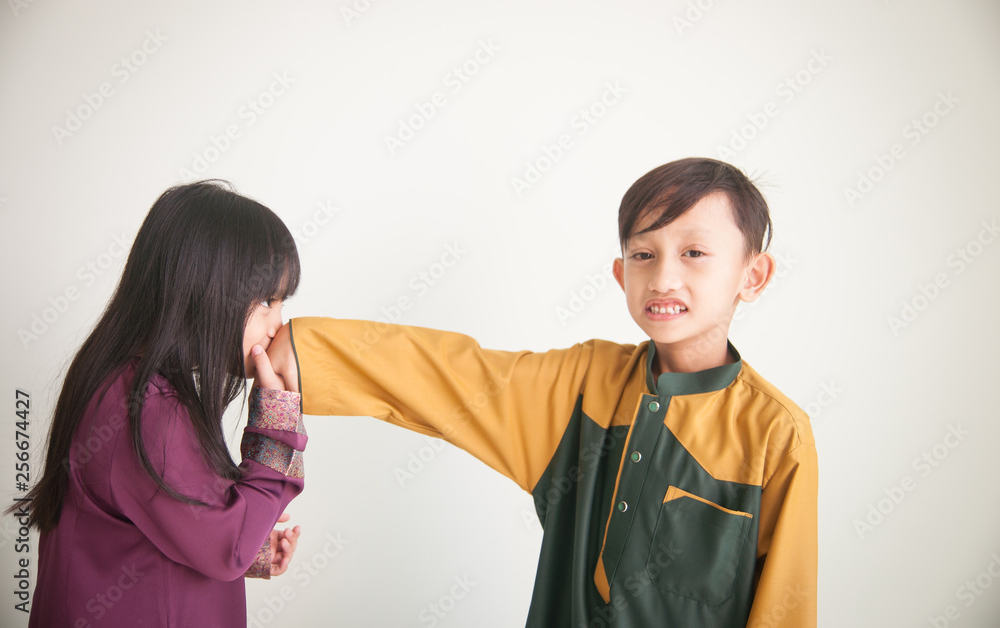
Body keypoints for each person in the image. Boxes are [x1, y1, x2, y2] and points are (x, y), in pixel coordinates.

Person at [269, 157, 817, 627]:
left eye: (694, 253)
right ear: (621, 275)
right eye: (644, 254)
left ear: (753, 275)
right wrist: (299, 348)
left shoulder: (775, 434)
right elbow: (451, 376)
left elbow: (784, 610)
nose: (664, 278)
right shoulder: (585, 385)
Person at [9, 181, 308, 627]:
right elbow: (225, 547)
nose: (277, 325)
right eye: (266, 300)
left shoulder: (125, 383)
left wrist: (250, 550)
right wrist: (278, 420)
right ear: (205, 287)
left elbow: (169, 525)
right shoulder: (146, 409)